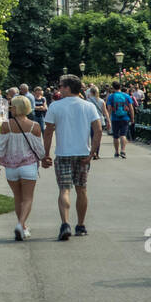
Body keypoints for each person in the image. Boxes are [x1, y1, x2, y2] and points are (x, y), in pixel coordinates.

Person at [42, 74, 103, 241]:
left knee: (64, 189)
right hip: (83, 153)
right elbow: (98, 130)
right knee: (81, 189)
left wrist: (46, 154)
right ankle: (81, 225)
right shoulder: (88, 106)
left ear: (68, 88)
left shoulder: (56, 106)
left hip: (63, 153)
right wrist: (93, 153)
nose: (59, 89)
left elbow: (48, 132)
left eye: (61, 86)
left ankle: (65, 223)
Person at [0, 95, 43, 240]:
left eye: (12, 106)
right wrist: (43, 159)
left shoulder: (6, 125)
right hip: (28, 166)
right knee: (27, 198)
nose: (10, 109)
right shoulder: (35, 126)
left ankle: (23, 226)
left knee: (18, 197)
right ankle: (21, 224)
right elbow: (39, 150)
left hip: (11, 167)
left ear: (17, 108)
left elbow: (0, 147)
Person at [105, 82, 135, 159]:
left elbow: (109, 109)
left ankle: (116, 152)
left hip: (115, 118)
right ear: (120, 87)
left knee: (115, 136)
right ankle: (123, 150)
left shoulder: (111, 97)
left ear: (113, 87)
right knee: (123, 135)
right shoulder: (126, 95)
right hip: (125, 118)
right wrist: (132, 118)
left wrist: (108, 120)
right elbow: (131, 108)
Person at [84, 85, 110, 158]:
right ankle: (96, 152)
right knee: (98, 137)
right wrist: (108, 120)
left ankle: (93, 152)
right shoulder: (101, 101)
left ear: (91, 92)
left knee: (92, 136)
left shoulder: (87, 101)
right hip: (100, 120)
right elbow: (105, 112)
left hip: (90, 120)